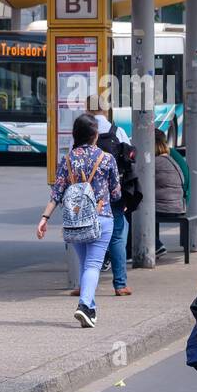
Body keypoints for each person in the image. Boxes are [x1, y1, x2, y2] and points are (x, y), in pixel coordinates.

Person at [37, 114, 122, 328]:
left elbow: (56, 193)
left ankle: (90, 311)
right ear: (95, 136)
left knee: (86, 265)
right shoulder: (106, 159)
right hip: (101, 218)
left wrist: (44, 218)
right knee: (94, 265)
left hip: (74, 221)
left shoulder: (67, 160)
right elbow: (116, 192)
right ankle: (84, 305)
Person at [92, 108, 134, 295]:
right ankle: (120, 284)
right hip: (111, 194)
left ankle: (81, 283)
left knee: (85, 238)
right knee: (117, 236)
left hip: (86, 197)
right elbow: (129, 160)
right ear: (106, 110)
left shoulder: (80, 131)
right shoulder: (118, 132)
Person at [154, 128, 187, 256]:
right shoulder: (171, 159)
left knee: (133, 214)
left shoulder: (155, 162)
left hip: (166, 208)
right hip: (178, 205)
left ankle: (156, 246)